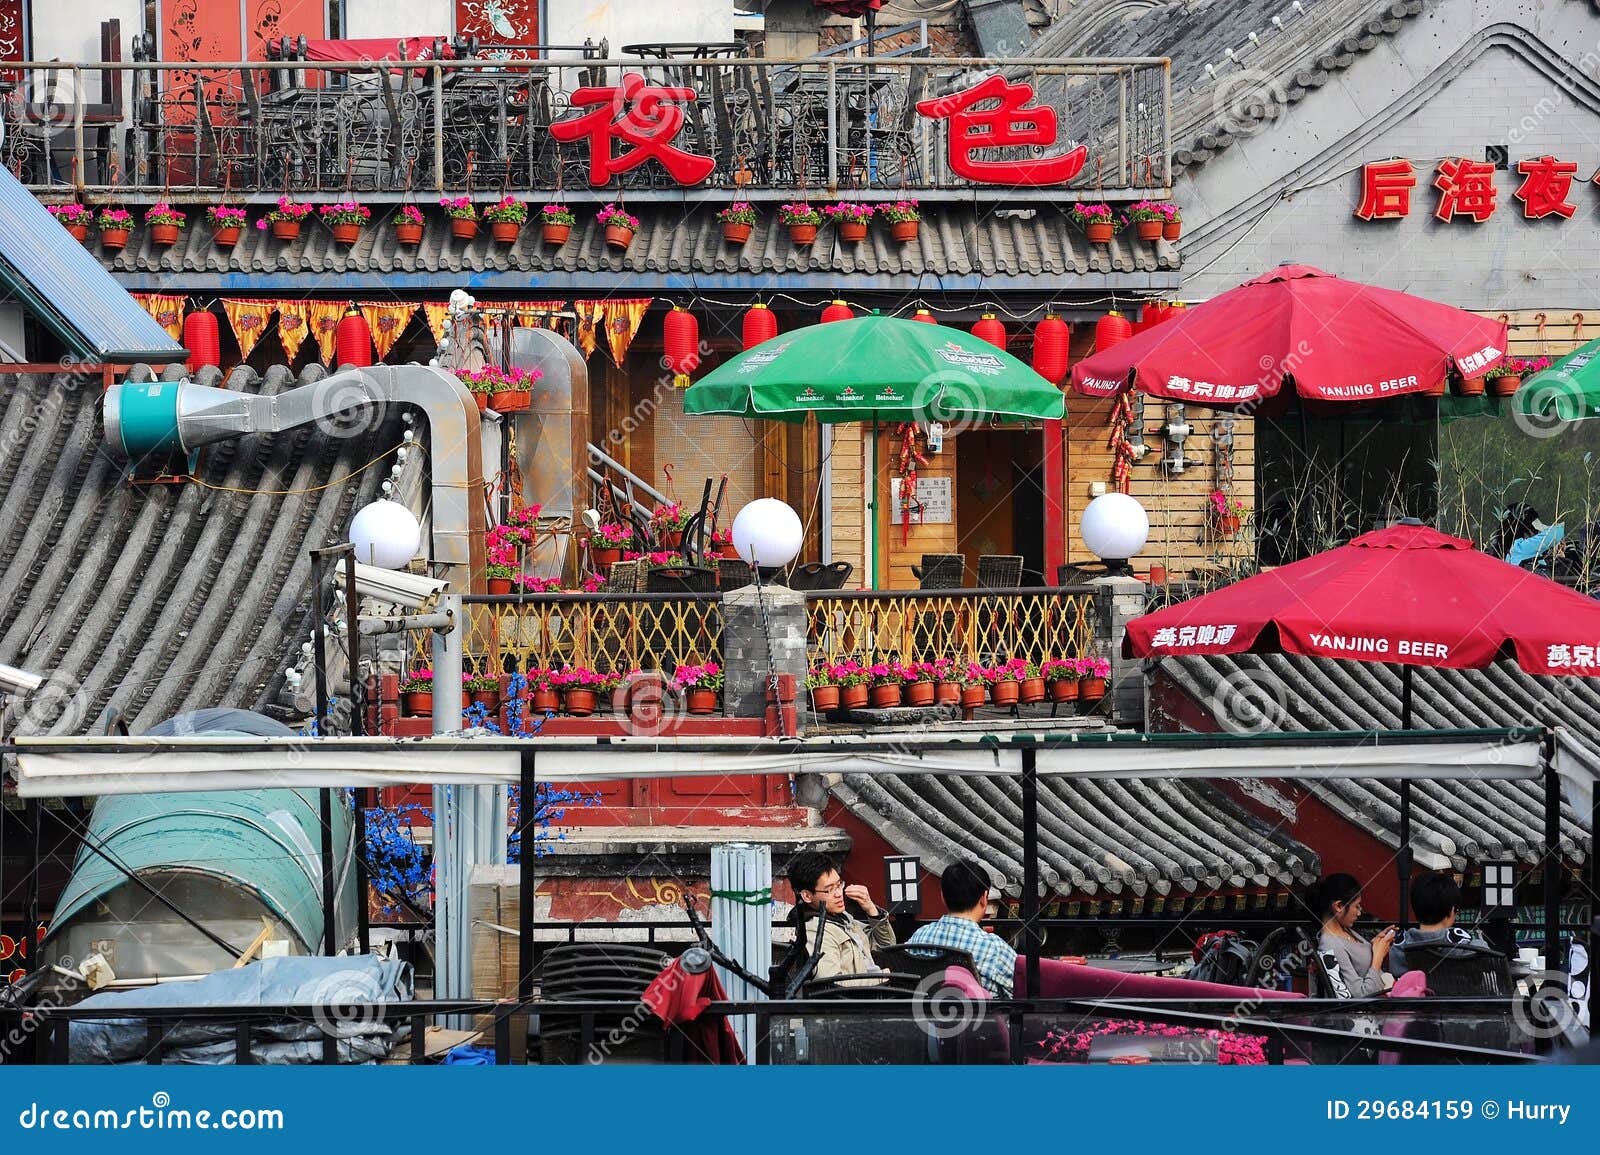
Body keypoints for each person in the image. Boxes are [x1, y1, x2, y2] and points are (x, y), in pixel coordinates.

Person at [906, 858, 1017, 997]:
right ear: (984, 898)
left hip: (922, 1015)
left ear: (942, 897)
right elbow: (1025, 992)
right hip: (982, 1017)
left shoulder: (919, 936)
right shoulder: (994, 948)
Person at [784, 851, 895, 982]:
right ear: (807, 896)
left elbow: (887, 947)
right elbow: (831, 982)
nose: (838, 893)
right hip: (864, 997)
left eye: (839, 885)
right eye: (829, 890)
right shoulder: (815, 930)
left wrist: (871, 909)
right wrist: (880, 980)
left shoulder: (842, 918)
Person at [1389, 870, 1499, 977]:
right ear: (1451, 911)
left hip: (1416, 995)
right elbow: (1490, 959)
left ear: (1415, 908)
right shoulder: (1461, 942)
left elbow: (1396, 971)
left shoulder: (1401, 945)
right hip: (1460, 994)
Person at [1309, 873, 1395, 997]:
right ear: (1339, 906)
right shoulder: (1331, 945)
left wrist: (1375, 944)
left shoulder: (1344, 929)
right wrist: (1378, 956)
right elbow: (1360, 995)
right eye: (1357, 906)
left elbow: (1358, 963)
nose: (1359, 913)